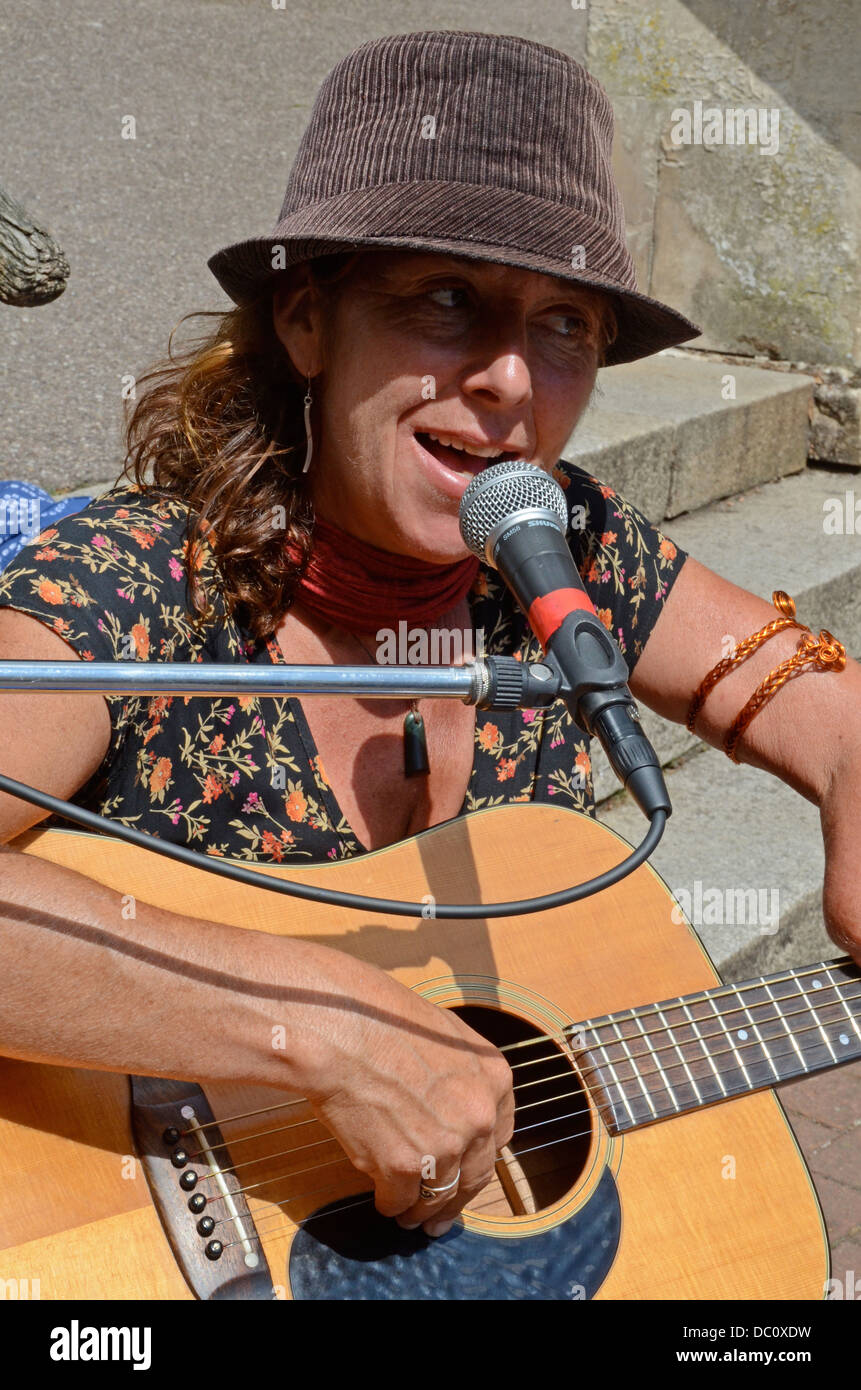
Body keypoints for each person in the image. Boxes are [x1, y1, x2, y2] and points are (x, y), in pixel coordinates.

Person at [0, 31, 858, 1245]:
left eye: (566, 324)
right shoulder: (138, 584)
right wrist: (317, 1024)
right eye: (448, 300)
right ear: (306, 320)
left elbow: (832, 710)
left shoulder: (561, 550)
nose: (511, 375)